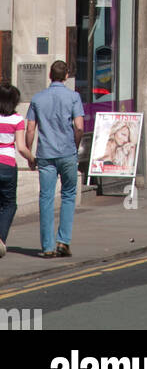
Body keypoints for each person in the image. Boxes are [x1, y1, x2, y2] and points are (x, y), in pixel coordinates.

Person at [25, 60, 84, 259]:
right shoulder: (74, 97)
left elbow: (31, 128)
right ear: (66, 76)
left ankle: (48, 246)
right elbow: (79, 127)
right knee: (68, 195)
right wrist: (74, 147)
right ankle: (63, 241)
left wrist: (29, 154)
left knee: (46, 198)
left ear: (50, 75)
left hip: (46, 154)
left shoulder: (38, 98)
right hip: (67, 152)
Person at [0, 83, 37, 258]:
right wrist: (32, 159)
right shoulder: (17, 119)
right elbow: (21, 147)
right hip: (7, 165)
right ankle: (1, 238)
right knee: (9, 204)